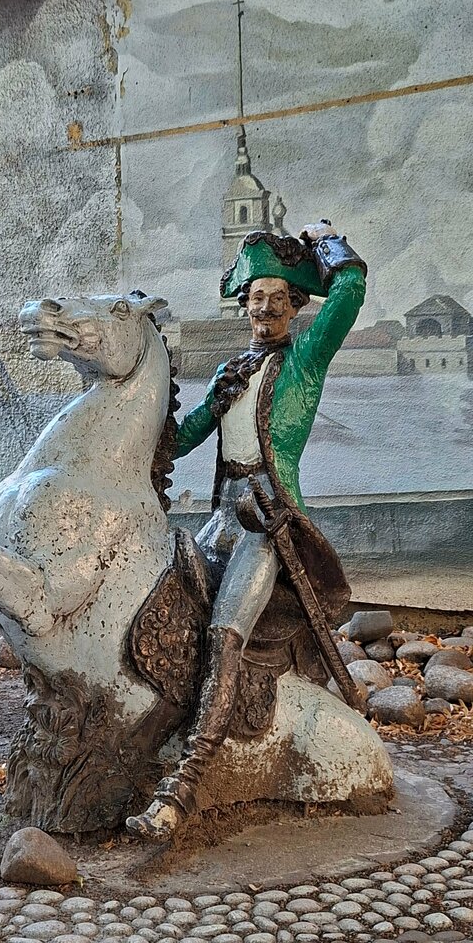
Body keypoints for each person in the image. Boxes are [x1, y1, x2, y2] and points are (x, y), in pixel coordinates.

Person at [126, 220, 367, 841]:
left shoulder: (305, 360)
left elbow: (350, 289)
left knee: (224, 632)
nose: (264, 308)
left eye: (277, 298)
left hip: (270, 524)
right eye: (256, 297)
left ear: (295, 305)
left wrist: (324, 241)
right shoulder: (230, 372)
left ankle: (184, 788)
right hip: (220, 519)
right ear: (245, 305)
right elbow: (181, 439)